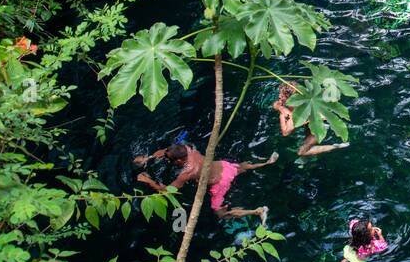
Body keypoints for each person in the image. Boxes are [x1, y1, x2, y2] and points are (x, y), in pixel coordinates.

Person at [133, 143, 277, 219]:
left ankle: (257, 212)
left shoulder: (187, 173)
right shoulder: (188, 149)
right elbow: (168, 151)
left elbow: (167, 191)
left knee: (220, 213)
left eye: (172, 161)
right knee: (243, 167)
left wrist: (148, 181)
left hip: (220, 182)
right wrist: (148, 158)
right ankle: (267, 163)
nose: (170, 162)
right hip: (224, 166)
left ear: (178, 160)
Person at [274, 81, 350, 156]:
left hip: (320, 125)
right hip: (314, 120)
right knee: (307, 142)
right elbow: (276, 105)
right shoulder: (303, 96)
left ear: (288, 97)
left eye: (281, 95)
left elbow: (285, 132)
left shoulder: (298, 113)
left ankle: (335, 146)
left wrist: (282, 111)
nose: (279, 96)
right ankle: (311, 155)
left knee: (301, 152)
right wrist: (281, 108)